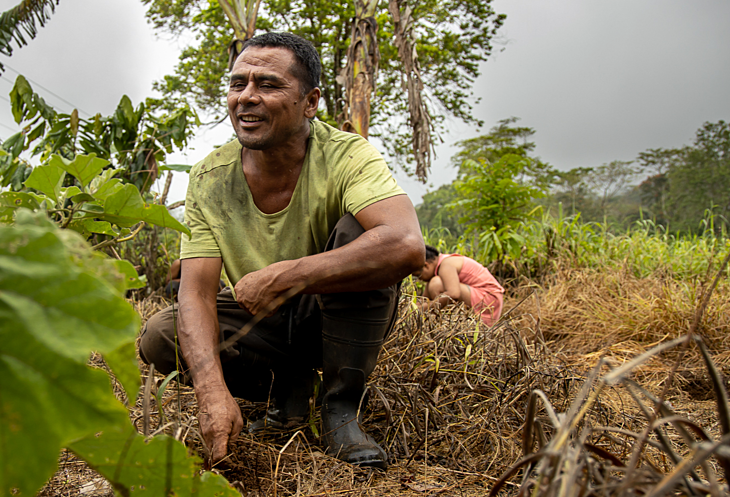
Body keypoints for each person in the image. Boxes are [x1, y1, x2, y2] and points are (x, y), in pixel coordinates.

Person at [138, 32, 424, 470]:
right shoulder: (209, 177)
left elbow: (405, 246)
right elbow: (194, 292)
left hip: (331, 313)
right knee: (160, 334)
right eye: (238, 85)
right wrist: (212, 392)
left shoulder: (347, 155)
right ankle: (286, 394)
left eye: (268, 85)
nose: (246, 98)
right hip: (259, 319)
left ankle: (340, 409)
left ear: (310, 102)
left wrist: (288, 275)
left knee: (360, 236)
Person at [414, 245, 504, 326]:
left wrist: (424, 308)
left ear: (426, 265)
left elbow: (453, 293)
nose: (419, 279)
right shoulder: (442, 264)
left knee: (436, 284)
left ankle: (446, 323)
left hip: (489, 298)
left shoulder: (446, 265)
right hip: (485, 297)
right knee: (433, 284)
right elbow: (423, 299)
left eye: (418, 275)